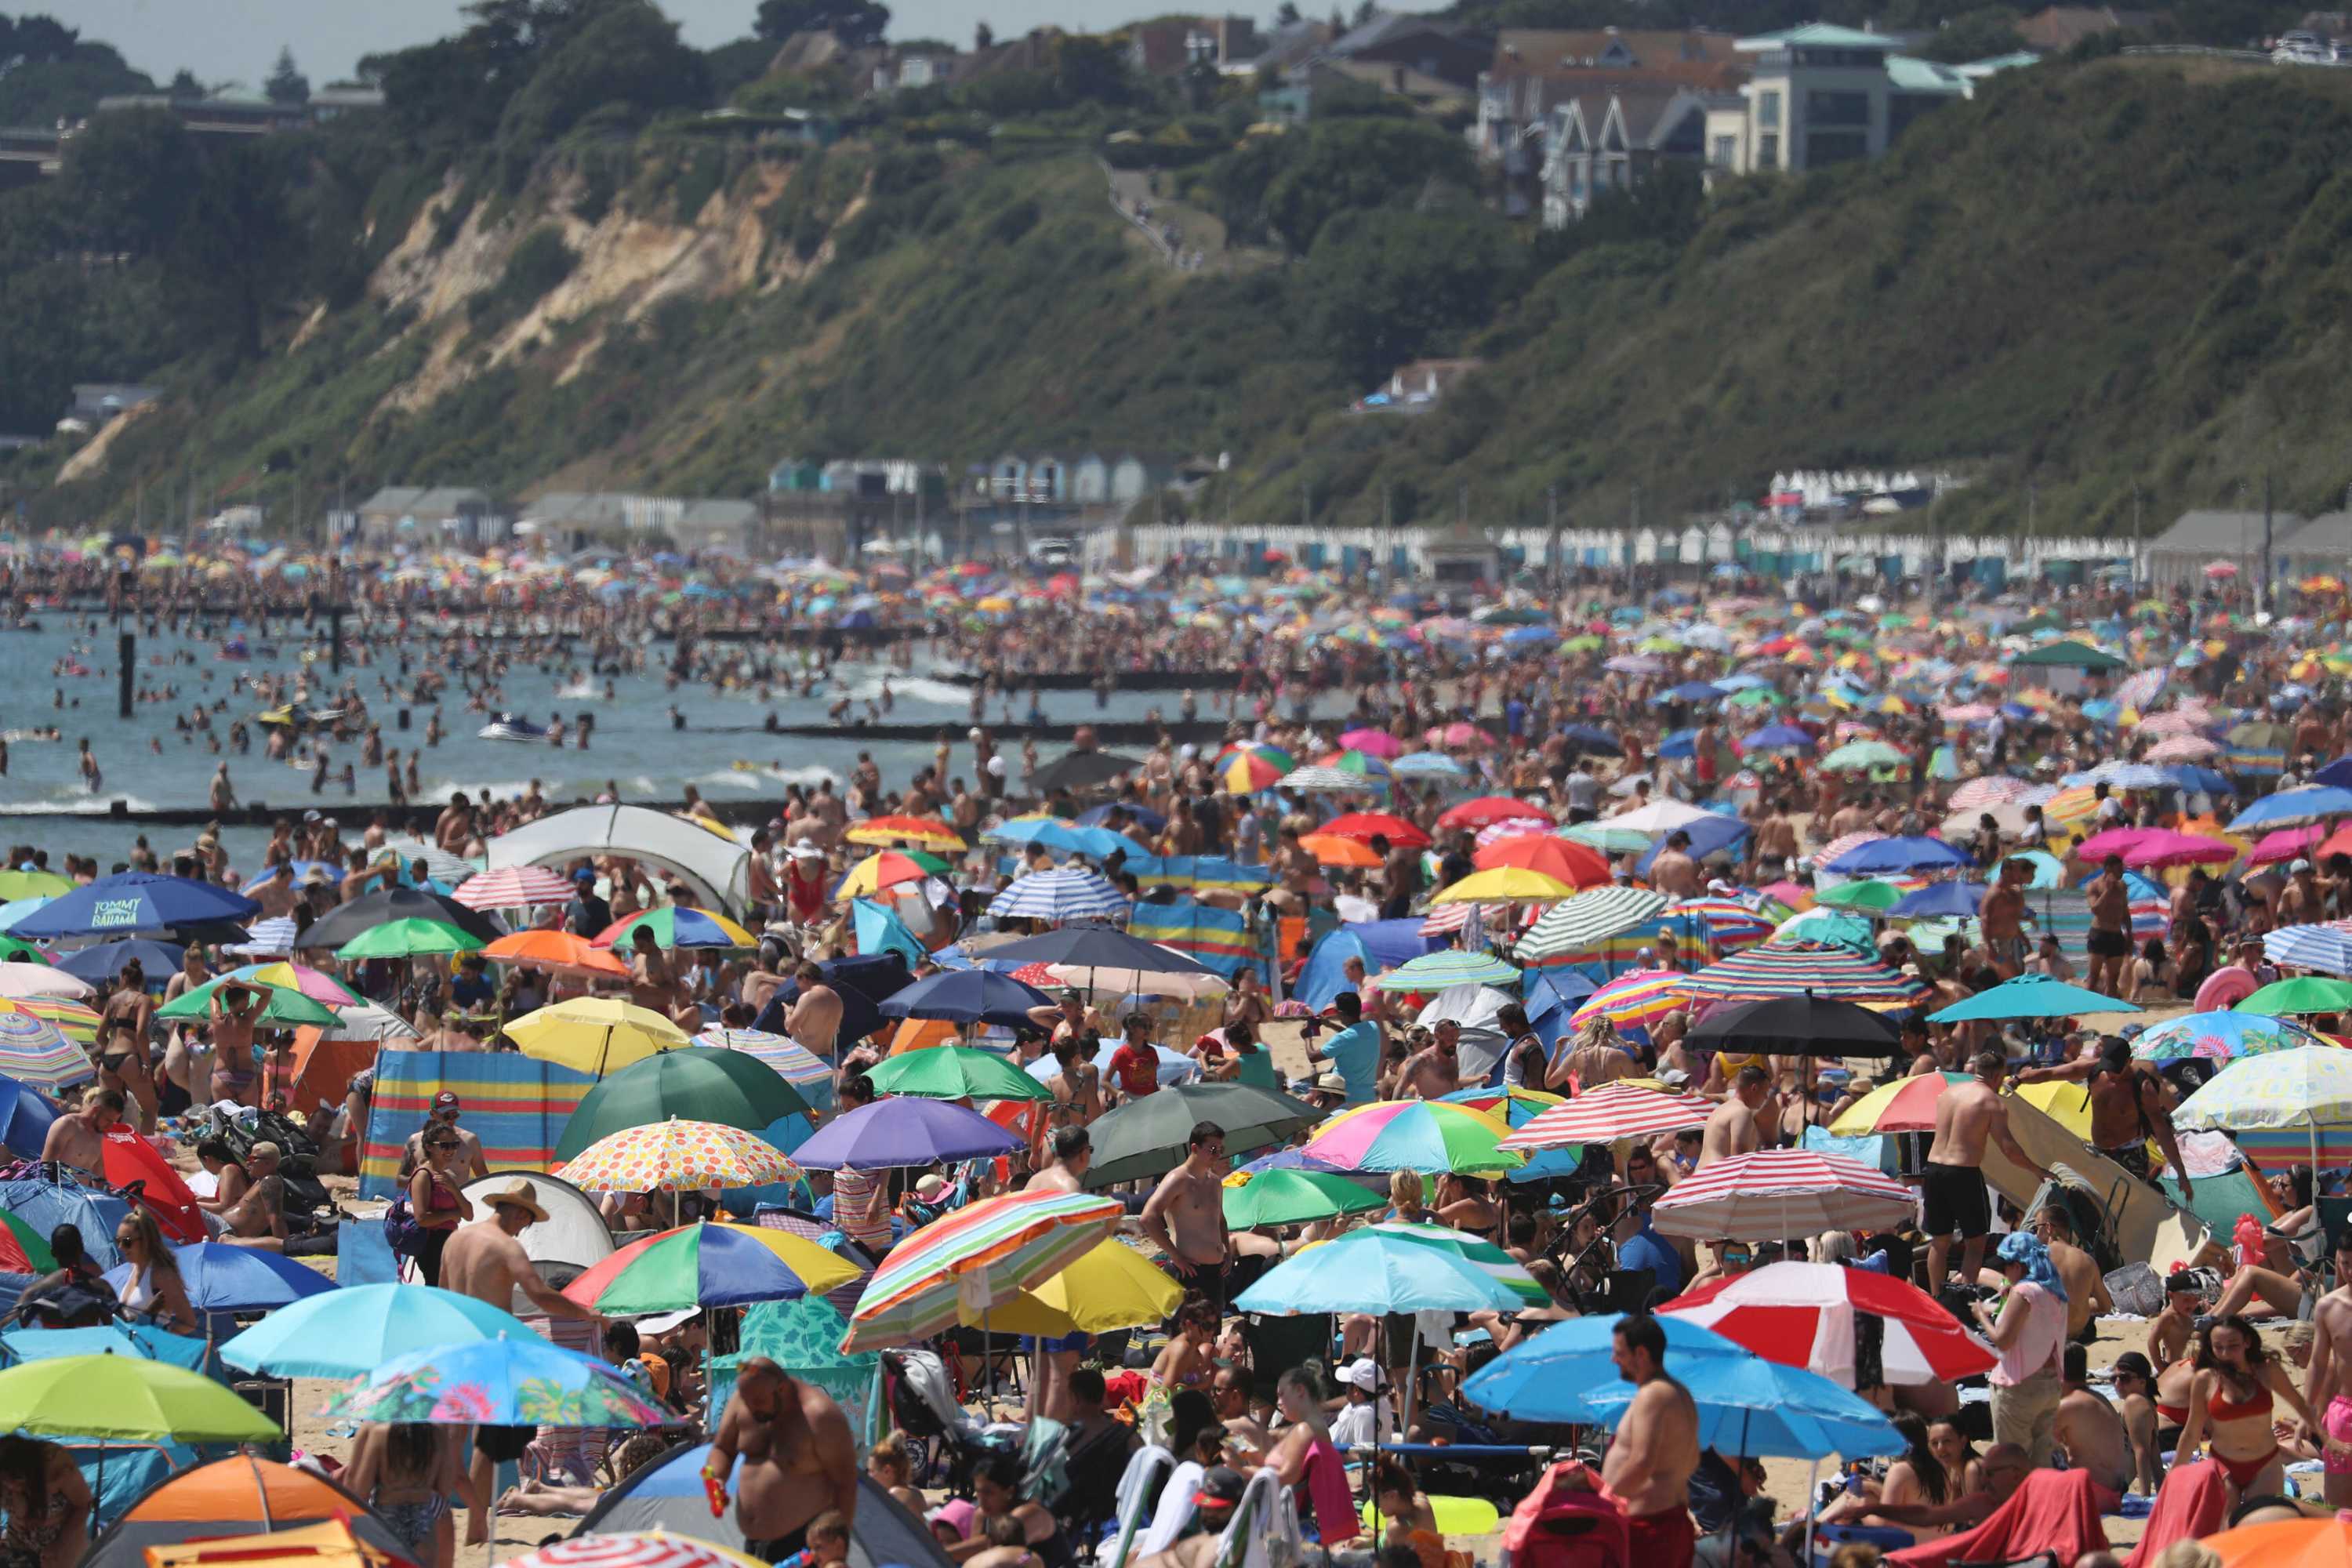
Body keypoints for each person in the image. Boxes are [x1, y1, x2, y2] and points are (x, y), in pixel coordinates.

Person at [439, 1179, 607, 1545]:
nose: (524, 1229)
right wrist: (589, 1314)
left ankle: (455, 1522)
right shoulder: (507, 1246)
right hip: (493, 1348)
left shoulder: (455, 1240)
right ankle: (477, 1525)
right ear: (518, 1212)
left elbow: (441, 1297)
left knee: (453, 1444)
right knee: (486, 1444)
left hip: (458, 1346)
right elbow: (541, 1295)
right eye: (526, 1222)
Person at [707, 1356, 860, 1564]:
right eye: (746, 1400)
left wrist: (837, 1551)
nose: (751, 1409)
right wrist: (715, 1477)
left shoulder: (820, 1417)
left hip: (801, 1547)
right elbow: (722, 1449)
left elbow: (846, 1485)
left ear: (782, 1389)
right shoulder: (744, 1401)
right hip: (752, 1544)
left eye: (759, 1402)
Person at [1922, 1051, 2053, 1293]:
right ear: (1995, 1075)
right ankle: (1967, 1297)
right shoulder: (1991, 1102)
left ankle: (1937, 1298)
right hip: (1963, 1173)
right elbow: (2009, 1149)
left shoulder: (1947, 1094)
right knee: (1976, 1242)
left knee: (1939, 1242)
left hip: (1933, 1169)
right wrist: (2037, 1170)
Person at [2175, 1315, 2325, 1505]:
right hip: (2223, 1463)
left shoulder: (2266, 1370)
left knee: (2258, 1524)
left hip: (2264, 1464)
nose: (2225, 1353)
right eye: (2218, 1347)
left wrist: (2327, 1439)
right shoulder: (2205, 1379)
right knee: (2226, 1526)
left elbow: (2300, 1404)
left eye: (2233, 1346)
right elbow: (2191, 1431)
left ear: (2247, 1342)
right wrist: (2175, 1475)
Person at [2016, 1037, 2191, 1195]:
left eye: (2117, 1070)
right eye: (2108, 1068)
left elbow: (2162, 1132)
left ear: (2129, 1062)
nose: (2111, 1074)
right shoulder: (2095, 1070)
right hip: (2098, 1151)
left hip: (2131, 1154)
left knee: (2130, 1205)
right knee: (2088, 1199)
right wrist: (2019, 1079)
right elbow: (2052, 1073)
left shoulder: (2142, 1087)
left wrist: (2182, 1175)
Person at [1602, 1315, 1699, 1568]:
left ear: (1641, 1353)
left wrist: (1602, 1502)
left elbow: (1642, 1461)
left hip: (1650, 1527)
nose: (1614, 1360)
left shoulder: (1653, 1395)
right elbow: (1692, 1459)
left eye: (1620, 1353)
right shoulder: (1680, 1393)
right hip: (1670, 1522)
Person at [1975, 1232, 2068, 1466]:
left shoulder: (2024, 1292)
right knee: (2041, 1461)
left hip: (2018, 1385)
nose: (2005, 1273)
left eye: (2006, 1266)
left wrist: (1980, 1316)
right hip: (2049, 1383)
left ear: (2017, 1265)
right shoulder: (2055, 1291)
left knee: (2011, 1461)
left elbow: (2003, 1340)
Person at [345, 1422, 467, 1568]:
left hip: (386, 1517)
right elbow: (445, 1487)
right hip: (422, 1518)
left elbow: (361, 1489)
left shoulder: (380, 1433)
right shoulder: (438, 1432)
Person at [1261, 1367, 1358, 1547]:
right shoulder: (1310, 1426)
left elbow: (1286, 1477)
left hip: (1286, 1519)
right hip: (1291, 1513)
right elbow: (1279, 1435)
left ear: (1300, 1391)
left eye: (1282, 1394)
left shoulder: (1305, 1430)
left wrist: (1240, 1467)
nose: (1278, 1402)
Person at [1141, 1122, 1229, 1308]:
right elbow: (1148, 1217)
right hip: (1188, 1272)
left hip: (1215, 1273)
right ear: (1195, 1148)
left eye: (1221, 1149)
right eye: (1213, 1149)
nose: (1218, 1155)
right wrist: (1175, 1255)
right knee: (1182, 1334)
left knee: (1209, 1335)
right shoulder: (1178, 1179)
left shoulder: (1214, 1182)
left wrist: (1227, 1251)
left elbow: (1220, 1220)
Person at [2302, 1229, 2352, 1504]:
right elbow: (2318, 1363)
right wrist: (2307, 1411)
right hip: (2344, 1414)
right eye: (2345, 1263)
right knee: (2339, 1509)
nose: (2351, 1270)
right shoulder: (2328, 1306)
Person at [0, 1436, 91, 1568]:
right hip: (20, 1544)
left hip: (63, 1547)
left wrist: (61, 1544)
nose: (11, 1487)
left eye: (17, 1480)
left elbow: (84, 1505)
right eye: (5, 1482)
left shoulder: (56, 1465)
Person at [2053, 1343, 2133, 1494]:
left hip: (2093, 1492)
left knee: (2040, 1450)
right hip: (2116, 1489)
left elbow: (2040, 1443)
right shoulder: (2100, 1399)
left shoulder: (2068, 1405)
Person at [406, 1120, 476, 1289]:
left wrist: (453, 1188)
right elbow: (421, 1218)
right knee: (438, 1291)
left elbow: (469, 1214)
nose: (451, 1150)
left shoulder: (446, 1177)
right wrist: (451, 1215)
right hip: (431, 1244)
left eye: (454, 1145)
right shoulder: (423, 1176)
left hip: (448, 1241)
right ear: (430, 1147)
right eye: (445, 1146)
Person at [111, 1209, 196, 1336]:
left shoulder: (161, 1275)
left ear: (146, 1241)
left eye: (127, 1241)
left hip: (153, 1353)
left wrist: (162, 1334)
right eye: (118, 1241)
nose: (121, 1247)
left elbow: (188, 1323)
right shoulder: (134, 1269)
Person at [398, 1091, 489, 1183]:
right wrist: (428, 1180)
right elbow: (401, 1180)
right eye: (446, 1115)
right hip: (428, 1197)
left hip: (458, 1196)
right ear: (432, 1113)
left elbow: (484, 1179)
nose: (451, 1120)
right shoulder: (415, 1140)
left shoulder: (470, 1140)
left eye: (455, 1115)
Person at [1312, 992, 1381, 1105]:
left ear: (1341, 1014)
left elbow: (1313, 1057)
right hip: (1368, 1096)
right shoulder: (1373, 1028)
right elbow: (1354, 1034)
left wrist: (1307, 1038)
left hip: (1346, 1099)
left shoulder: (1343, 1038)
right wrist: (1330, 1025)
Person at [37, 1089, 119, 1181]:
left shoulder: (100, 1137)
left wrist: (105, 1194)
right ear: (96, 1110)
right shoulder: (67, 1125)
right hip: (58, 1192)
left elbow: (98, 1178)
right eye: (108, 1120)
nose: (110, 1126)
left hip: (81, 1194)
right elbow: (47, 1166)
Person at [1699, 1065, 1771, 1167]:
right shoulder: (1742, 1112)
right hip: (1718, 1176)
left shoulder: (1720, 1109)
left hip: (1701, 1174)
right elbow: (1739, 1159)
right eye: (1765, 1092)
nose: (1766, 1097)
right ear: (1754, 1088)